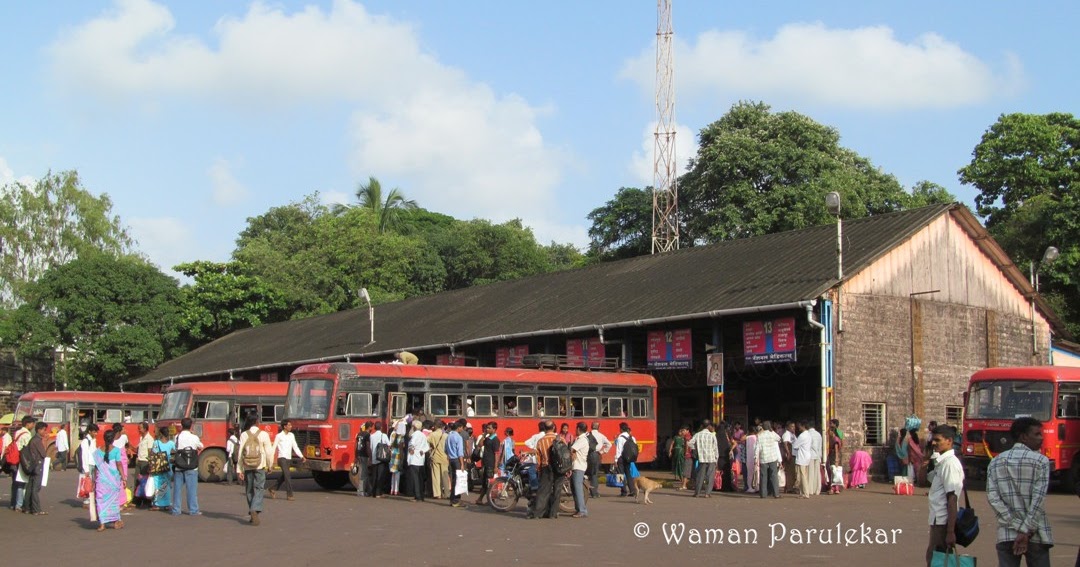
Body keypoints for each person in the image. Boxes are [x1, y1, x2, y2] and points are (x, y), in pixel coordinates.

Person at [986, 417, 1053, 567]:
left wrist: (1016, 525)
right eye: (1037, 434)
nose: (1041, 438)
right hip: (1036, 535)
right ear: (1023, 436)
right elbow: (1038, 500)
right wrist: (1025, 530)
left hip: (1008, 533)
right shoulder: (1040, 461)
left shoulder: (996, 462)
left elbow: (993, 498)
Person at [925, 424, 964, 566]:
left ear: (949, 441)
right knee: (936, 558)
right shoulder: (941, 463)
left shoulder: (950, 464)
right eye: (933, 440)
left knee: (938, 560)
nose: (934, 443)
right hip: (937, 519)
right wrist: (925, 461)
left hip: (943, 521)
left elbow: (952, 498)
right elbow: (924, 481)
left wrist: (950, 531)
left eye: (938, 440)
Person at [236, 414, 274, 525]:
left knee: (249, 489)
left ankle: (252, 511)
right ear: (257, 422)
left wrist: (239, 469)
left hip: (247, 466)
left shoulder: (243, 434)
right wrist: (270, 465)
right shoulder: (263, 434)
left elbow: (240, 453)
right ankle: (255, 509)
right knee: (259, 488)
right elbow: (269, 452)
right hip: (260, 465)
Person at [171, 417, 204, 516]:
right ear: (191, 426)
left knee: (177, 489)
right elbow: (201, 446)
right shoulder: (194, 437)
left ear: (181, 425)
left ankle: (176, 509)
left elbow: (175, 447)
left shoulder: (177, 436)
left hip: (179, 466)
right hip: (192, 467)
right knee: (191, 490)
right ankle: (193, 510)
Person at [93, 429, 125, 529]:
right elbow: (119, 464)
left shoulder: (97, 452)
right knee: (113, 502)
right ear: (113, 439)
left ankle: (102, 523)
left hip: (101, 481)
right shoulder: (116, 450)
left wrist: (94, 480)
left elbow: (96, 468)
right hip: (113, 481)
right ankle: (116, 520)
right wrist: (123, 477)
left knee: (101, 501)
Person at [269, 419, 305, 500]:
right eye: (289, 425)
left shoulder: (291, 435)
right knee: (288, 476)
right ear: (284, 426)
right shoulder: (279, 436)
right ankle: (290, 495)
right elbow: (273, 448)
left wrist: (301, 456)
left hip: (288, 458)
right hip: (281, 458)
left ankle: (272, 488)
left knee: (284, 475)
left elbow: (295, 447)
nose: (291, 426)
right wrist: (270, 464)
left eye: (291, 425)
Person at [531, 420, 560, 519]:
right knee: (557, 490)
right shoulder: (560, 439)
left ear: (544, 428)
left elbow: (538, 457)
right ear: (553, 427)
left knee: (543, 491)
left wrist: (539, 469)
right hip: (559, 468)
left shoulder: (541, 441)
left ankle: (538, 513)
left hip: (546, 467)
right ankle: (553, 513)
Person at [21, 421, 49, 515]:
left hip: (32, 465)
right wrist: (44, 441)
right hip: (38, 465)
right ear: (39, 430)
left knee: (30, 487)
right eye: (44, 430)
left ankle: (27, 507)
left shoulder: (33, 439)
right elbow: (44, 454)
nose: (45, 432)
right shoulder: (37, 440)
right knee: (35, 488)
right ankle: (36, 509)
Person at [9, 416, 35, 511]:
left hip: (14, 460)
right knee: (21, 483)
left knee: (15, 483)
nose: (33, 425)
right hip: (22, 460)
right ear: (28, 424)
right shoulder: (26, 435)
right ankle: (19, 505)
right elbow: (28, 449)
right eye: (32, 423)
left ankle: (13, 503)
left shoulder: (17, 432)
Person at [689, 420, 718, 498]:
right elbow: (715, 448)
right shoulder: (712, 435)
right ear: (709, 426)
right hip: (711, 458)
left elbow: (690, 443)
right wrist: (716, 459)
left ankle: (697, 493)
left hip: (701, 458)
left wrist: (695, 449)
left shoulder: (697, 435)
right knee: (710, 476)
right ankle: (707, 493)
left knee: (700, 476)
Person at [474, 422, 500, 505]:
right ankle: (480, 499)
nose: (487, 429)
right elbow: (480, 444)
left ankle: (491, 500)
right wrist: (484, 435)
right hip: (485, 463)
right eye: (487, 428)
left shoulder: (495, 440)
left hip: (491, 464)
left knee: (490, 483)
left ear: (494, 429)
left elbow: (496, 454)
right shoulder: (488, 438)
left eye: (489, 428)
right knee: (485, 482)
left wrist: (496, 466)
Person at [756, 421, 782, 499]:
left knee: (763, 476)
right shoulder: (772, 434)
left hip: (763, 457)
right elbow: (779, 439)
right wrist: (772, 430)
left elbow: (757, 448)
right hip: (772, 457)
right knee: (774, 475)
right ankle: (776, 493)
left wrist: (755, 458)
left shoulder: (759, 436)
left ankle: (763, 494)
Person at [150, 426, 174, 511]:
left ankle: (157, 503)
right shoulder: (171, 443)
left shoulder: (156, 442)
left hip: (158, 466)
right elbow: (175, 452)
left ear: (160, 434)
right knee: (166, 485)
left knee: (158, 484)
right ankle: (167, 504)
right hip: (167, 466)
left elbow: (152, 454)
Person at [570, 421, 590, 518]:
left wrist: (572, 452)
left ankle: (582, 510)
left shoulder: (582, 440)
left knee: (578, 489)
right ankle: (578, 509)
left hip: (578, 466)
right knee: (574, 489)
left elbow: (571, 449)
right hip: (577, 466)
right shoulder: (581, 439)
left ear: (578, 429)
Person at [406, 420, 429, 502]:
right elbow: (427, 447)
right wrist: (423, 451)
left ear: (414, 427)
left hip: (414, 459)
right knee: (420, 478)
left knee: (415, 478)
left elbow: (411, 444)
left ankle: (417, 496)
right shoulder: (423, 435)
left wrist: (411, 449)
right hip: (421, 458)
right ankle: (421, 495)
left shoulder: (414, 435)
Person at [445, 419, 467, 508]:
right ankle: (456, 500)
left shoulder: (448, 436)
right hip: (457, 460)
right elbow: (460, 452)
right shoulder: (458, 437)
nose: (462, 429)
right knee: (458, 480)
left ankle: (452, 499)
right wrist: (462, 464)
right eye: (461, 427)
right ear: (459, 428)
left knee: (453, 479)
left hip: (450, 459)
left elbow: (445, 449)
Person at [78, 423, 99, 507]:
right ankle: (86, 501)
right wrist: (86, 469)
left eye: (96, 432)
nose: (95, 433)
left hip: (93, 464)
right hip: (88, 465)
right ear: (89, 431)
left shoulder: (93, 440)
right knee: (87, 483)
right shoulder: (86, 441)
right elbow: (84, 456)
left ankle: (90, 499)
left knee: (91, 483)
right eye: (94, 432)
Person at [587, 422, 611, 498]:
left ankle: (585, 490)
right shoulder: (601, 435)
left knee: (587, 473)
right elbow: (609, 444)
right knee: (594, 473)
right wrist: (603, 451)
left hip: (587, 455)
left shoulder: (587, 435)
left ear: (591, 427)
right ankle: (594, 492)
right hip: (596, 455)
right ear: (598, 427)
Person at [614, 423, 638, 498]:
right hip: (628, 458)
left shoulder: (620, 438)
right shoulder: (632, 437)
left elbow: (619, 450)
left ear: (621, 429)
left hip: (621, 458)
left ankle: (623, 491)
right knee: (628, 474)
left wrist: (615, 460)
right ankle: (632, 490)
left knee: (620, 474)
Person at [368, 422, 390, 498]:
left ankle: (373, 492)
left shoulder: (371, 436)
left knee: (374, 476)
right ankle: (378, 493)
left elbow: (370, 447)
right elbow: (388, 444)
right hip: (381, 458)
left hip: (374, 458)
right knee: (381, 476)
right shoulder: (383, 435)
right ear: (381, 427)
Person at [792, 421, 814, 498]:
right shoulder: (809, 435)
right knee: (804, 475)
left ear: (803, 426)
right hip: (806, 456)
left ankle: (805, 493)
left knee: (802, 476)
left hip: (802, 457)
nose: (799, 427)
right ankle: (802, 493)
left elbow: (795, 446)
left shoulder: (802, 436)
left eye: (800, 426)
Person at [355, 421, 373, 496]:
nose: (372, 428)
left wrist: (355, 456)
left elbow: (356, 446)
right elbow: (367, 446)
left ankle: (369, 490)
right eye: (372, 427)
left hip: (359, 454)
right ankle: (361, 491)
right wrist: (370, 456)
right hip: (364, 455)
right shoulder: (367, 435)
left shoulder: (359, 434)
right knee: (363, 474)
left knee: (364, 472)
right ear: (369, 427)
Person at [826, 418, 843, 494]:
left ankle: (833, 488)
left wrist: (836, 459)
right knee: (836, 472)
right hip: (837, 455)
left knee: (833, 471)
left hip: (834, 456)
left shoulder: (835, 439)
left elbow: (836, 449)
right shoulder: (837, 438)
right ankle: (837, 488)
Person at [671, 426, 691, 490]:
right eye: (681, 431)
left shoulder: (687, 437)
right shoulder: (678, 437)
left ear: (687, 431)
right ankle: (684, 484)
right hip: (684, 455)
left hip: (687, 456)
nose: (682, 432)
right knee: (685, 470)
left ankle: (684, 485)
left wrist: (686, 452)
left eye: (683, 430)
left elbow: (687, 445)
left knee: (685, 471)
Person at [744, 426, 759, 492]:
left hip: (749, 457)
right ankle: (757, 486)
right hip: (756, 457)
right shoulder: (757, 437)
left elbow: (742, 439)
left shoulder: (747, 438)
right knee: (757, 472)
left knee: (749, 473)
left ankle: (750, 487)